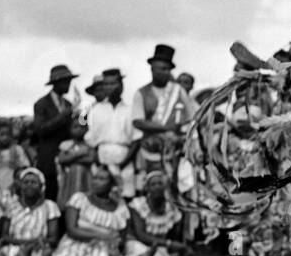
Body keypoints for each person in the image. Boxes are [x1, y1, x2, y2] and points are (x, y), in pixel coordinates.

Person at [131, 45, 194, 191]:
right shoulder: (141, 93)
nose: (165, 72)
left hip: (175, 152)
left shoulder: (178, 92)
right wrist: (165, 128)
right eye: (162, 69)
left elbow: (190, 117)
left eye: (168, 69)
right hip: (150, 153)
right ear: (153, 69)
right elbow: (138, 121)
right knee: (152, 189)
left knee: (175, 189)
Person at [54, 166, 129, 256]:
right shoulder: (79, 199)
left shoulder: (120, 208)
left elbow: (121, 237)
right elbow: (71, 230)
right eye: (95, 178)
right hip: (77, 242)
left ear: (112, 184)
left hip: (105, 247)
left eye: (102, 179)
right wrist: (101, 235)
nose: (96, 182)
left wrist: (114, 242)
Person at [119, 168, 189, 256]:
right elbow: (141, 235)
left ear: (165, 186)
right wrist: (170, 244)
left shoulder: (171, 209)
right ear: (147, 188)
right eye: (153, 184)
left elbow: (174, 234)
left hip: (160, 246)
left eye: (160, 183)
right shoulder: (138, 205)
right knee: (142, 251)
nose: (157, 187)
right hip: (137, 243)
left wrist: (176, 246)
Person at [85, 69, 137, 199]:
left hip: (124, 157)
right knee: (102, 197)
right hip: (102, 159)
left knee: (125, 197)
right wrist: (99, 162)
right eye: (106, 84)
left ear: (121, 86)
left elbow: (136, 140)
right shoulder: (95, 110)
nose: (109, 88)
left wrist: (123, 163)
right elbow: (91, 140)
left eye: (113, 83)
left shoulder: (130, 110)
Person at [32, 64, 79, 202]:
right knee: (49, 198)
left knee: (66, 198)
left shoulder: (69, 104)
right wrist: (63, 116)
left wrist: (83, 115)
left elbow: (78, 128)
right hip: (48, 161)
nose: (69, 85)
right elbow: (41, 130)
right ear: (56, 83)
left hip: (67, 160)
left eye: (69, 81)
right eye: (66, 82)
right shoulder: (41, 104)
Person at [1, 166, 61, 256]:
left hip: (39, 246)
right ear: (20, 186)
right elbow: (5, 236)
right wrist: (24, 244)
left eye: (33, 182)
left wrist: (34, 244)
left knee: (43, 254)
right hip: (16, 246)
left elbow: (53, 238)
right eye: (26, 182)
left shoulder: (50, 206)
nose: (29, 185)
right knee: (8, 253)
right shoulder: (11, 206)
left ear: (41, 186)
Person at [56, 116, 95, 202]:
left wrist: (70, 158)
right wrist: (80, 153)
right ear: (70, 129)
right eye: (75, 127)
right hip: (69, 178)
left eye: (82, 127)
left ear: (86, 129)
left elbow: (90, 159)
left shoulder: (89, 145)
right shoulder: (66, 144)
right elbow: (61, 159)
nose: (79, 129)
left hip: (85, 178)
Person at [0, 120, 30, 194]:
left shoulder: (17, 149)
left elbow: (25, 165)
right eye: (2, 134)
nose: (5, 137)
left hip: (13, 182)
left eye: (8, 134)